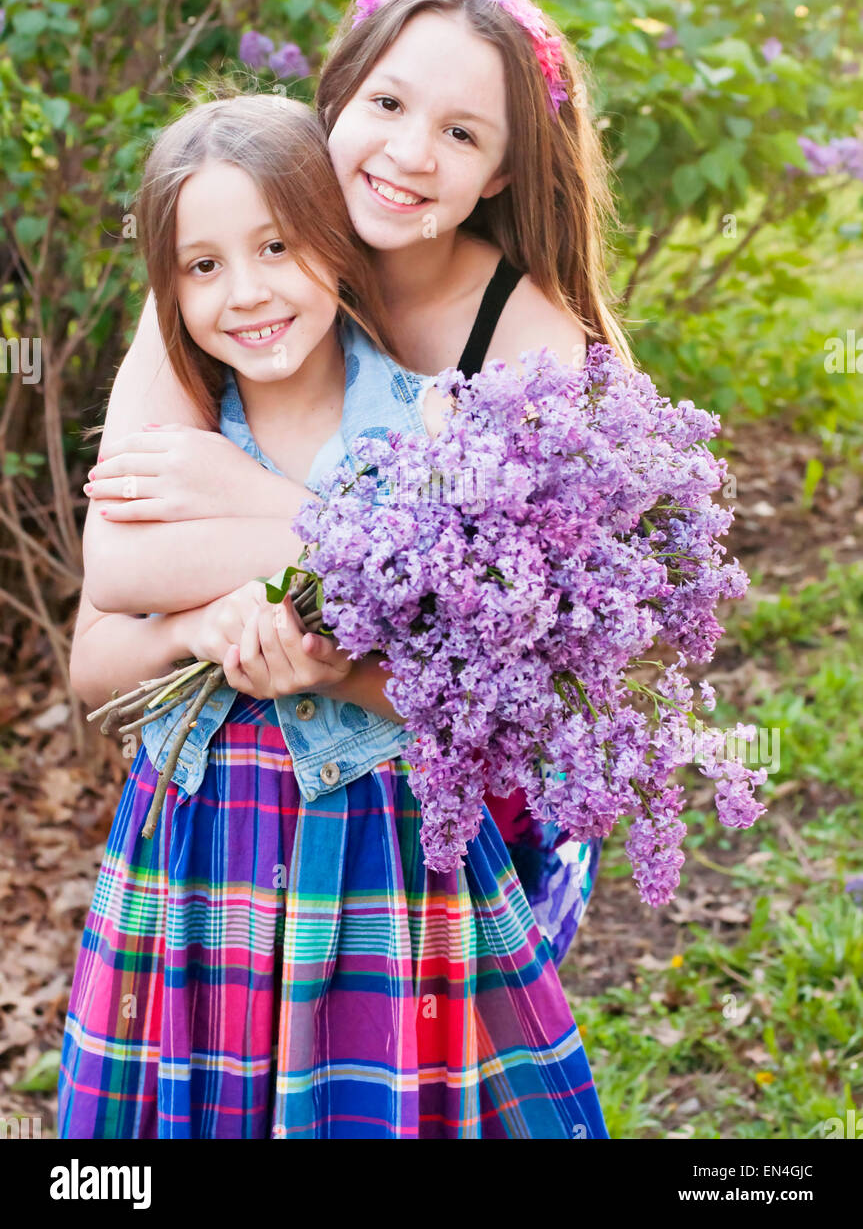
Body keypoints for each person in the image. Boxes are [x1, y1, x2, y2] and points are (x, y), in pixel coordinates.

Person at [58, 90, 608, 1139]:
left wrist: (333, 658)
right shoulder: (173, 447)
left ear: (335, 244)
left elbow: (482, 692)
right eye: (202, 265)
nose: (246, 291)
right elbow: (93, 659)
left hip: (385, 852)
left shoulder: (430, 433)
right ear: (166, 287)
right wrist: (195, 630)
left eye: (276, 246)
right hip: (196, 847)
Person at [82, 0, 631, 964]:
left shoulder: (528, 348)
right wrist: (320, 585)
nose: (410, 153)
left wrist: (257, 503)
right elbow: (117, 575)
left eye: (460, 133)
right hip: (243, 803)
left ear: (499, 173)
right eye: (387, 101)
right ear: (333, 99)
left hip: (469, 808)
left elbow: (502, 667)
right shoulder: (243, 266)